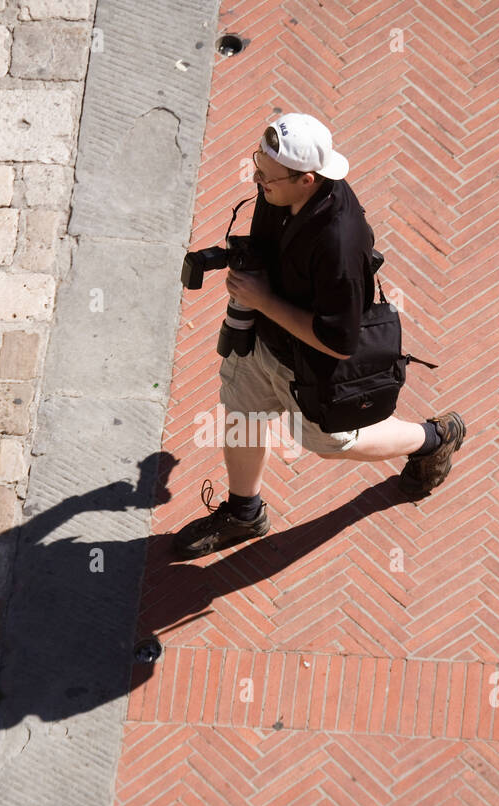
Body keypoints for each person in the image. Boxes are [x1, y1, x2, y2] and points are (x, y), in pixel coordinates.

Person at [173, 113, 466, 561]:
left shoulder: (339, 243)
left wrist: (262, 299)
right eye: (258, 166)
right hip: (264, 341)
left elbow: (339, 340)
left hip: (311, 364)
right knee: (242, 414)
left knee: (332, 444)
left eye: (267, 176)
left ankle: (433, 438)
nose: (257, 179)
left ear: (307, 179)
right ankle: (244, 513)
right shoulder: (280, 189)